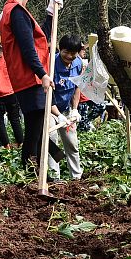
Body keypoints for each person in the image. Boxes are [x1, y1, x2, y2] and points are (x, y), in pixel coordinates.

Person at [0, 0, 65, 171]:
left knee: (37, 127)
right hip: (29, 77)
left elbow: (40, 39)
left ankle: (43, 166)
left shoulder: (9, 12)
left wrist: (51, 12)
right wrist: (42, 74)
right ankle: (32, 172)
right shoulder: (16, 12)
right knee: (34, 130)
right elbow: (28, 49)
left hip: (23, 77)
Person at [49, 34, 85, 180]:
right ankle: (54, 177)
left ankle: (76, 177)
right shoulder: (51, 64)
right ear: (60, 49)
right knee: (52, 141)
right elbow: (47, 95)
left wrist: (74, 109)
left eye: (73, 53)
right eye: (66, 52)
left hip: (66, 109)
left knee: (72, 143)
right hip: (50, 110)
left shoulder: (78, 63)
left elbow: (77, 87)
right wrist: (58, 116)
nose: (69, 56)